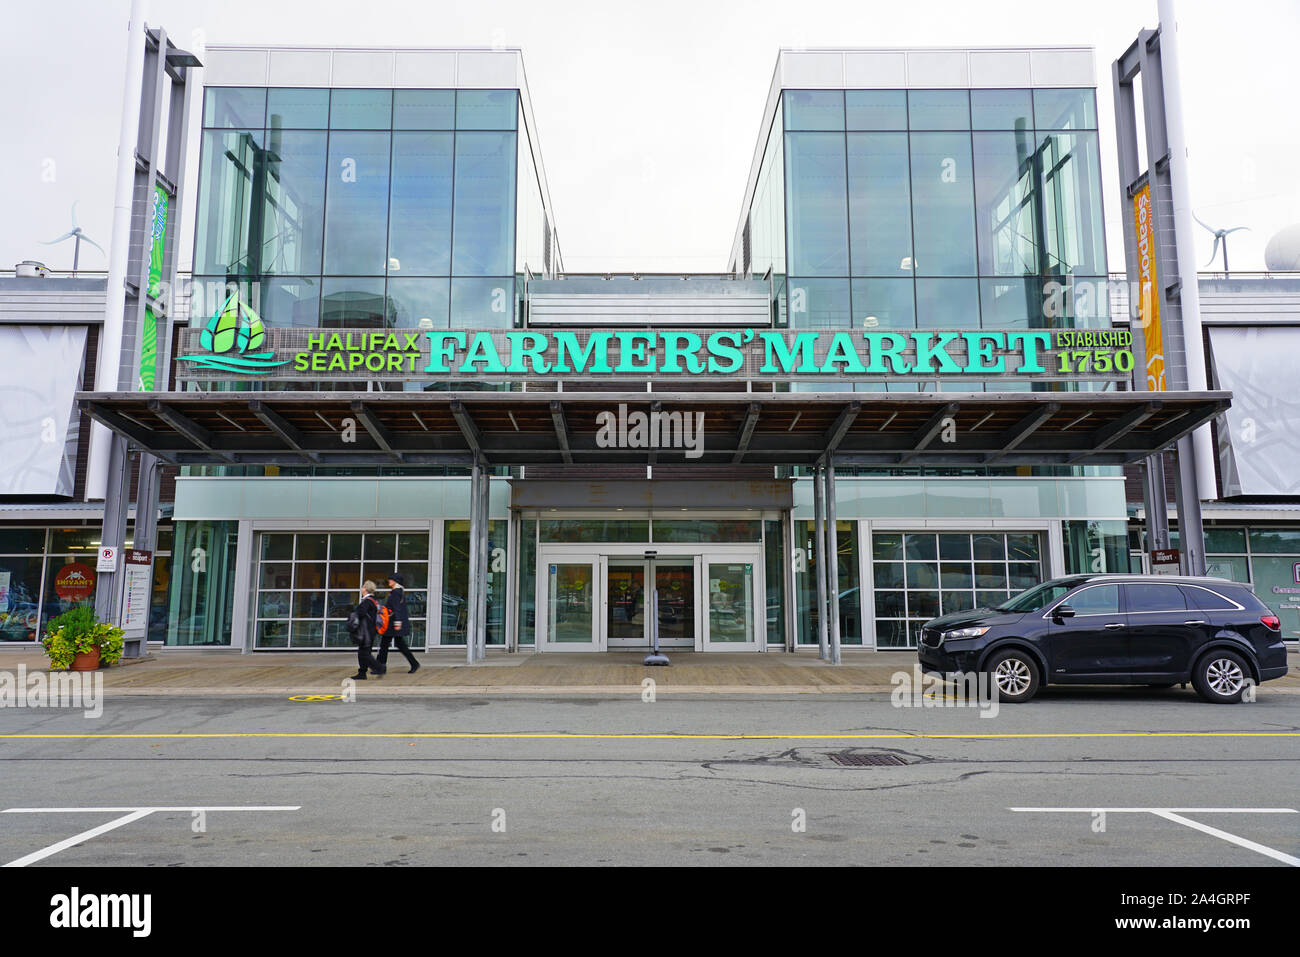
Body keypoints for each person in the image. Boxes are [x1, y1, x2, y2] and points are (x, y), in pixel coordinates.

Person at [378, 573, 420, 674]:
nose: (389, 581)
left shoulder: (396, 592)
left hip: (393, 623)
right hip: (394, 622)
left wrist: (397, 622)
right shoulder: (397, 591)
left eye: (391, 579)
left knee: (385, 644)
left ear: (396, 581)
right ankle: (414, 663)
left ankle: (380, 667)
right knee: (399, 644)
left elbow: (397, 608)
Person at [349, 580, 384, 680]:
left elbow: (361, 613)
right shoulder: (373, 601)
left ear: (366, 589)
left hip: (366, 631)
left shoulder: (367, 601)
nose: (361, 588)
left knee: (364, 653)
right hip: (370, 630)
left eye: (363, 587)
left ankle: (379, 667)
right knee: (364, 652)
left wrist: (353, 613)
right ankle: (362, 673)